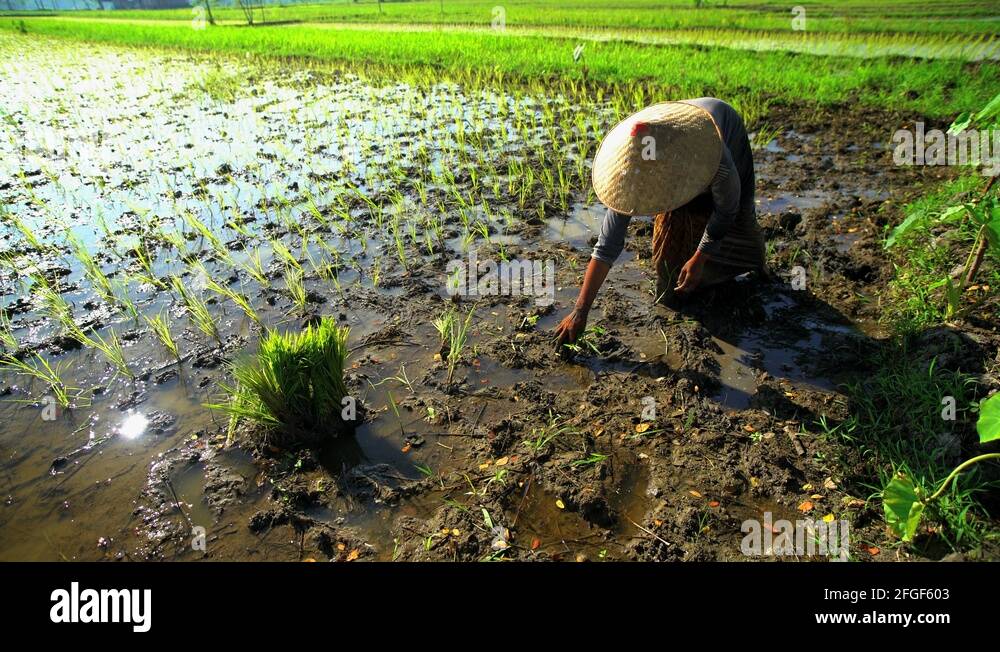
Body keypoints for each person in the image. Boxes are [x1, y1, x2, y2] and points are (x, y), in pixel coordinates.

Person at [554, 98, 767, 346]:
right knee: (671, 242)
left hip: (726, 134)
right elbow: (607, 245)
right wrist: (581, 310)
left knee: (741, 220)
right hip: (675, 151)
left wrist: (699, 257)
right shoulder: (630, 174)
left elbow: (726, 212)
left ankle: (758, 268)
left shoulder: (714, 156)